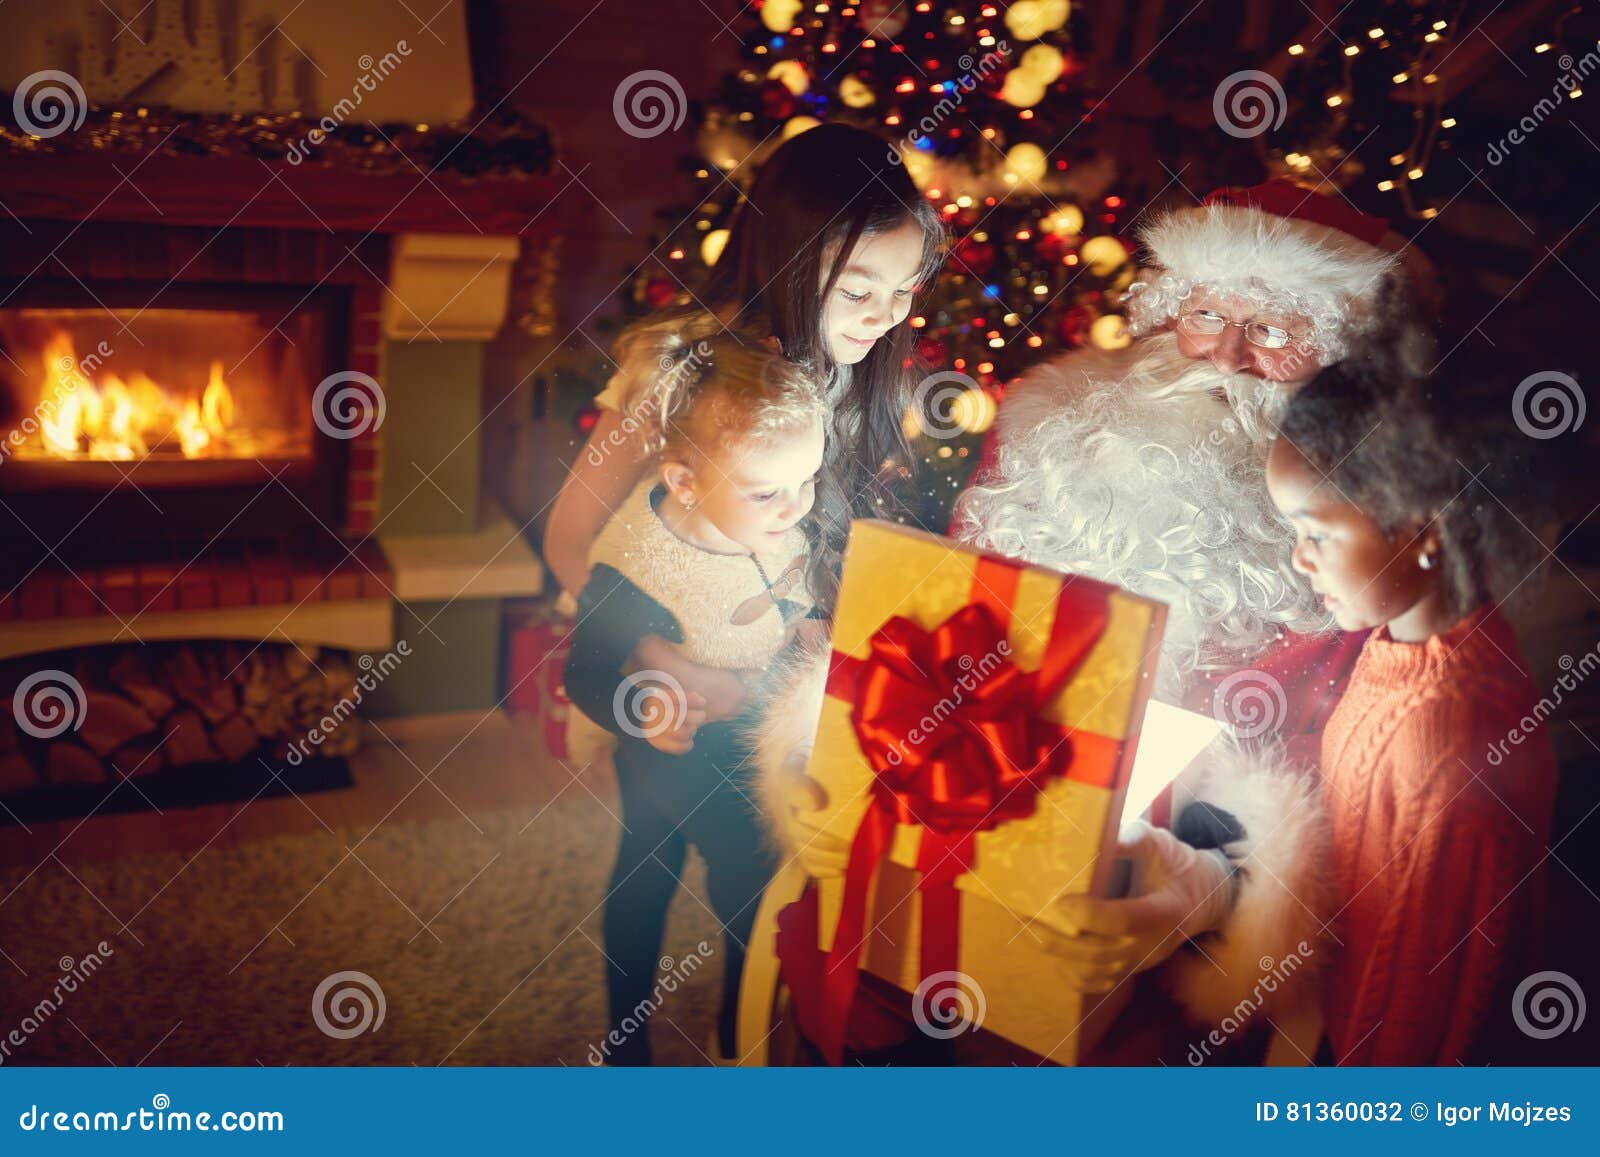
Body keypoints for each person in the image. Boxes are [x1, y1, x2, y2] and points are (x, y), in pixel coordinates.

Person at [753, 180, 1438, 1061]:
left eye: (1271, 330)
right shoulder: (1048, 430)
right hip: (966, 808)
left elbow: (1332, 789)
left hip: (1162, 897)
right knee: (858, 982)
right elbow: (939, 625)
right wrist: (835, 745)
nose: (1224, 355)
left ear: (1338, 353)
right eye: (1201, 313)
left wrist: (1213, 886)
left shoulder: (1352, 531)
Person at [547, 122, 946, 728]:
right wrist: (665, 663)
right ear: (789, 264)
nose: (886, 318)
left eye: (905, 289)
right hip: (673, 677)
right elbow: (571, 535)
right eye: (857, 292)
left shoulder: (858, 368)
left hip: (786, 683)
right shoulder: (682, 366)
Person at [1260, 354, 1562, 1063]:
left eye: (1319, 533)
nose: (1299, 560)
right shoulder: (1409, 638)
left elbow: (1418, 1012)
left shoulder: (1447, 745)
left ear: (1425, 526)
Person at [564, 330, 827, 1066]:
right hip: (677, 752)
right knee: (746, 882)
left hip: (755, 728)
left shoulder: (773, 517)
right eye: (768, 491)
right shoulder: (640, 562)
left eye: (805, 481)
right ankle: (717, 1040)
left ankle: (715, 1033)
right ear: (684, 482)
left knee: (648, 860)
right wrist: (640, 703)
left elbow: (787, 593)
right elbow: (583, 671)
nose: (792, 506)